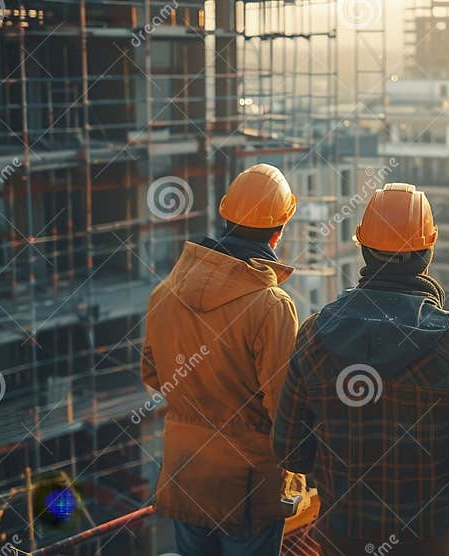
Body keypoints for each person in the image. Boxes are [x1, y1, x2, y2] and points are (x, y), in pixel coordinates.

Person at [272, 183, 449, 556]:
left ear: (364, 248)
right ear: (428, 250)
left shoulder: (314, 337)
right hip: (432, 540)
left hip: (343, 536)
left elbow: (290, 449)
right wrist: (443, 507)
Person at [141, 163, 303, 555]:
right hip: (247, 485)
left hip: (186, 474)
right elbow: (286, 407)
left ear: (225, 216)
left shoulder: (166, 293)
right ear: (277, 232)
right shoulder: (271, 306)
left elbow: (152, 370)